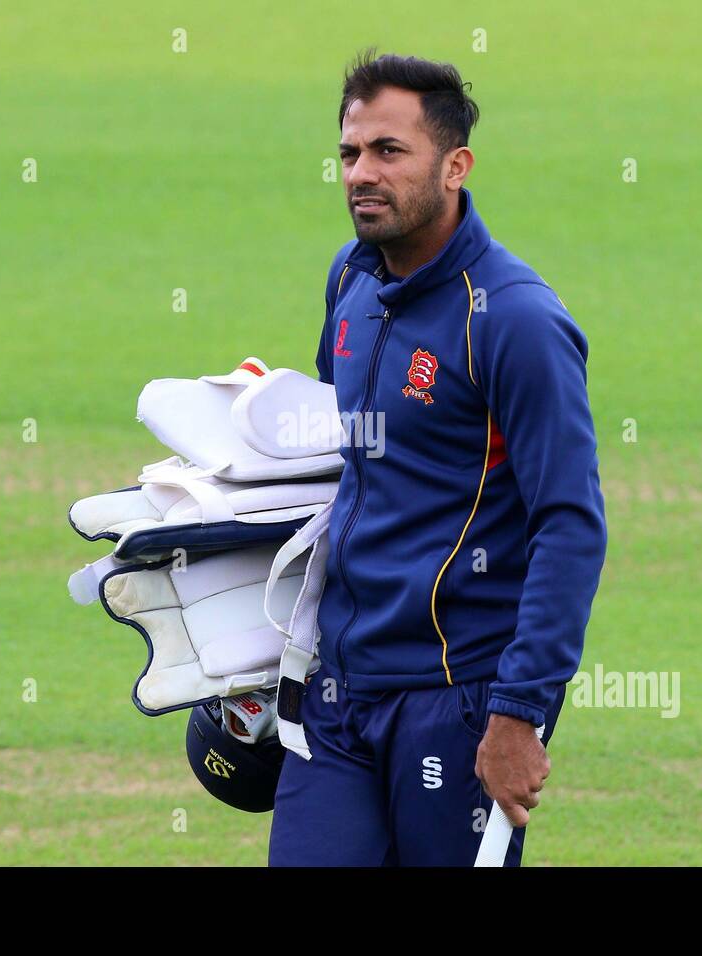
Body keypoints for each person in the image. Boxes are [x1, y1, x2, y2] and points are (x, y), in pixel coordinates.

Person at [267, 50, 607, 866]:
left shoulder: (515, 321)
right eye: (350, 153)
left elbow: (570, 526)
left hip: (457, 707)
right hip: (336, 694)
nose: (361, 173)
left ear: (456, 166)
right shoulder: (350, 280)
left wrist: (521, 712)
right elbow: (337, 472)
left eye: (390, 151)